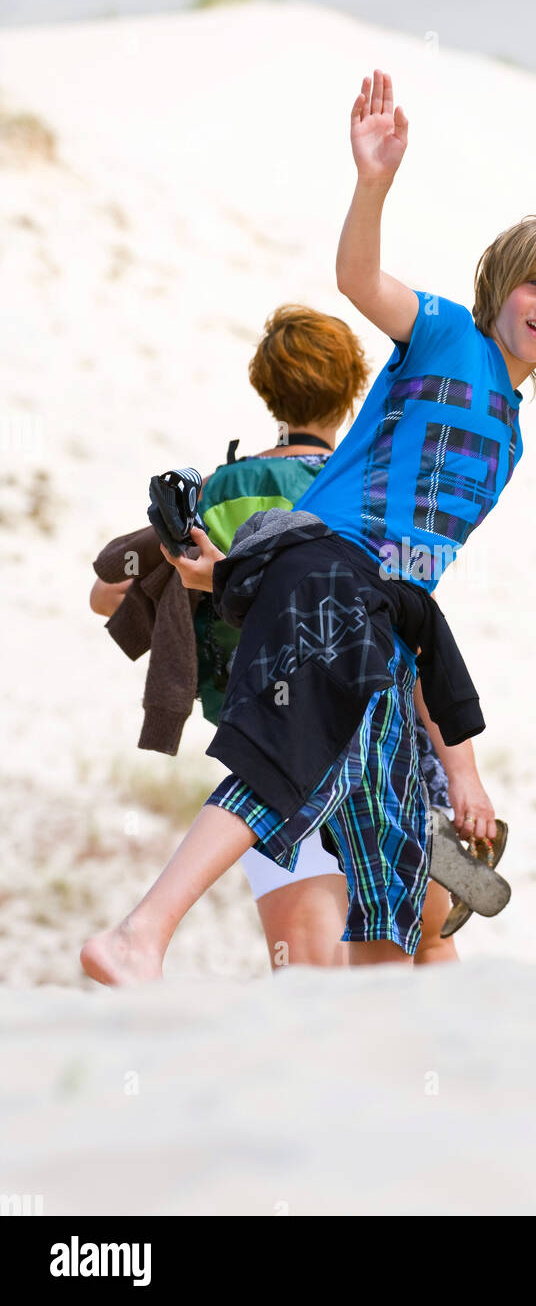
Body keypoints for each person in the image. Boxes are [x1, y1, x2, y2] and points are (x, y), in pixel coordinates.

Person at [80, 66, 536, 985]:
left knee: (396, 839)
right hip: (330, 571)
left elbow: (417, 569)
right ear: (502, 286)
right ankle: (139, 936)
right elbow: (357, 277)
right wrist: (373, 183)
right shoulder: (448, 335)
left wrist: (459, 763)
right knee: (291, 757)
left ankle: (377, 1051)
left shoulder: (511, 436)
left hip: (376, 608)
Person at [90, 304, 493, 970]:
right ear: (355, 387)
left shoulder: (217, 496)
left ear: (266, 388)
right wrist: (458, 771)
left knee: (307, 974)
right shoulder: (365, 499)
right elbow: (410, 636)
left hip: (271, 742)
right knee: (420, 951)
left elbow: (108, 595)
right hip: (377, 736)